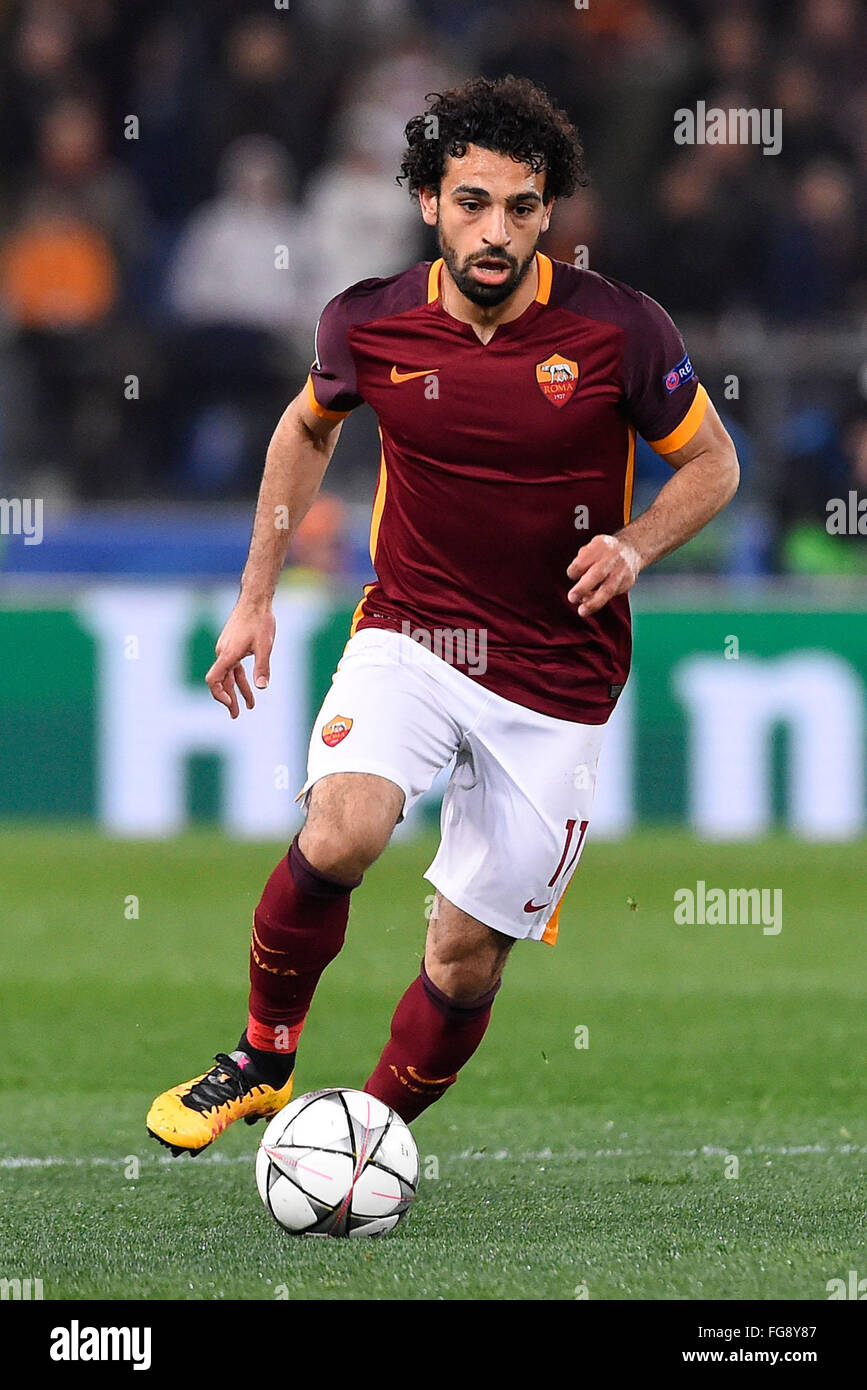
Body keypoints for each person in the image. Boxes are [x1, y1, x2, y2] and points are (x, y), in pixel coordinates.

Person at [147, 75, 739, 1155]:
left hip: (559, 679)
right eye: (472, 202)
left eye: (520, 205)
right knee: (341, 830)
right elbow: (304, 432)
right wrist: (255, 597)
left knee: (463, 959)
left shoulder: (620, 332)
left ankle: (364, 1140)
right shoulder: (369, 322)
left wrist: (635, 541)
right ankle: (263, 1055)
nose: (496, 230)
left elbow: (712, 463)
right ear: (429, 201)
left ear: (549, 208)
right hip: (412, 634)